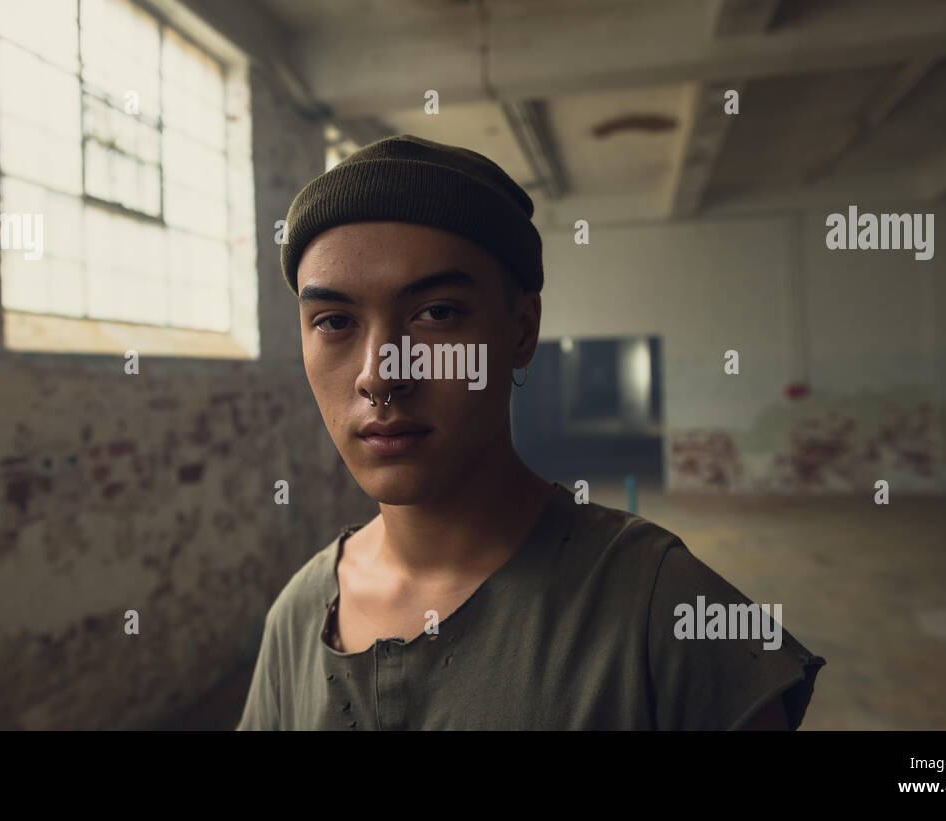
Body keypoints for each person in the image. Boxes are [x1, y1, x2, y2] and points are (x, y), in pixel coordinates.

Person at [236, 134, 825, 730]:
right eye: (334, 321)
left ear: (521, 331)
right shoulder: (299, 617)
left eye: (437, 313)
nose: (380, 375)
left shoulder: (664, 612)